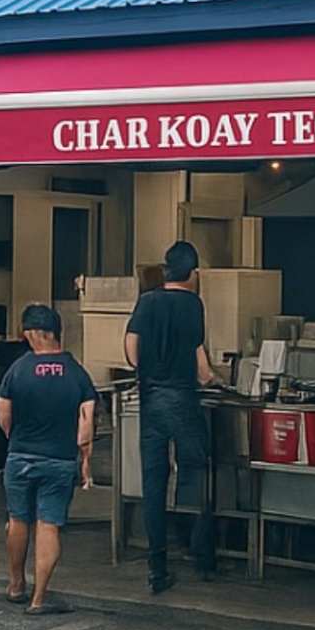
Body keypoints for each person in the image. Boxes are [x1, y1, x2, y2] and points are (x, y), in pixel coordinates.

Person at [124, 240, 215, 595]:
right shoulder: (193, 305)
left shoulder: (146, 302)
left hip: (151, 401)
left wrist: (145, 367)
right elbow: (202, 367)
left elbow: (132, 349)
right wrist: (212, 378)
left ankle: (157, 568)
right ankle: (202, 554)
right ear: (193, 274)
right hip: (182, 399)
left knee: (153, 484)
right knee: (198, 472)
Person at [0, 304, 96, 615]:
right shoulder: (77, 373)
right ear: (55, 334)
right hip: (59, 458)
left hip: (21, 455)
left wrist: (19, 441)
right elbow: (86, 423)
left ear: (30, 334)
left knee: (18, 519)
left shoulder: (18, 370)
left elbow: (3, 415)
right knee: (48, 525)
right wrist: (85, 463)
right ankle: (39, 599)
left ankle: (15, 584)